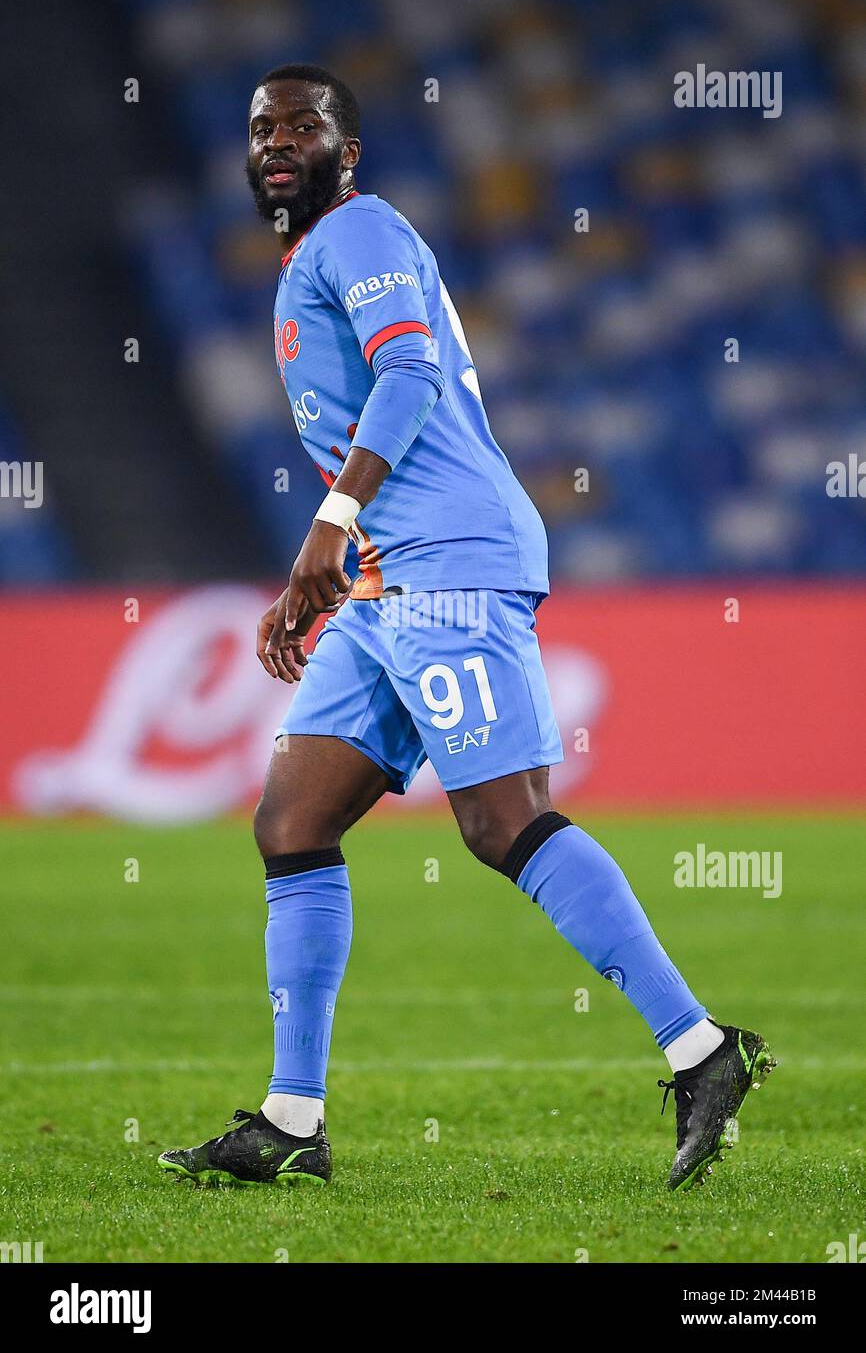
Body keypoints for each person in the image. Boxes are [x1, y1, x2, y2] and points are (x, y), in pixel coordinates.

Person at [158, 64, 775, 1194]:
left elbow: (410, 370)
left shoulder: (362, 229)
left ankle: (702, 1050)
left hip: (447, 559)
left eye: (304, 125)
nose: (277, 141)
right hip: (387, 576)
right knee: (290, 818)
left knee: (500, 824)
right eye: (260, 128)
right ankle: (294, 1121)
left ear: (350, 150)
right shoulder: (310, 254)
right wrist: (340, 554)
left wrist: (324, 531)